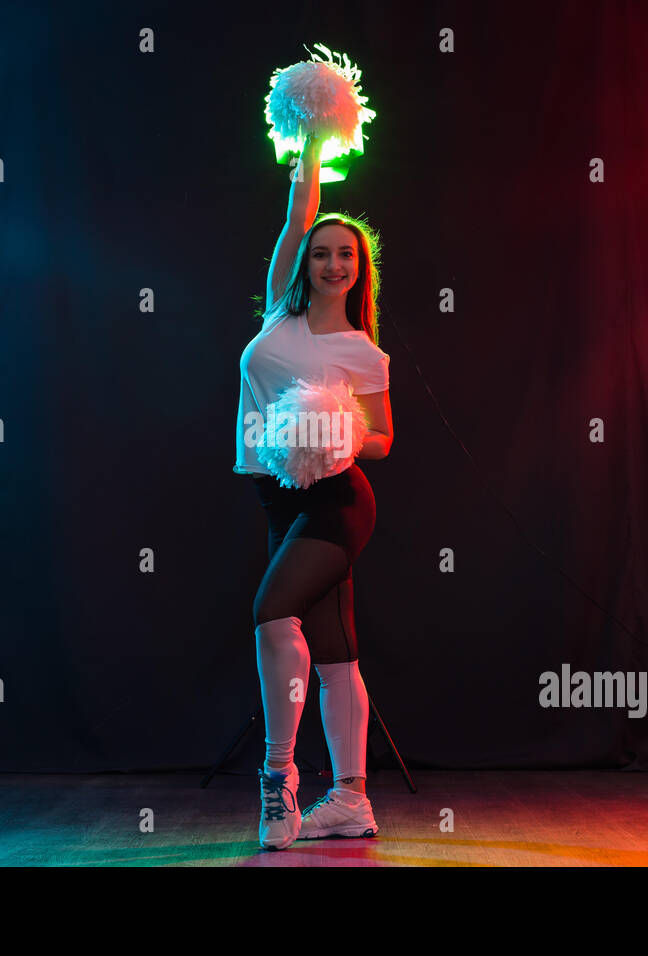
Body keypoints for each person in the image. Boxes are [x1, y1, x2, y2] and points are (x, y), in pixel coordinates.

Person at [233, 132, 394, 850]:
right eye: (323, 252)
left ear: (359, 271)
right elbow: (299, 209)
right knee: (334, 652)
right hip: (277, 495)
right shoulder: (278, 314)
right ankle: (352, 801)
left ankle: (278, 779)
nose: (333, 262)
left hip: (337, 499)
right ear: (306, 261)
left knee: (272, 612)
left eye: (346, 255)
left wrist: (340, 432)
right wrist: (317, 137)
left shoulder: (364, 351)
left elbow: (384, 439)